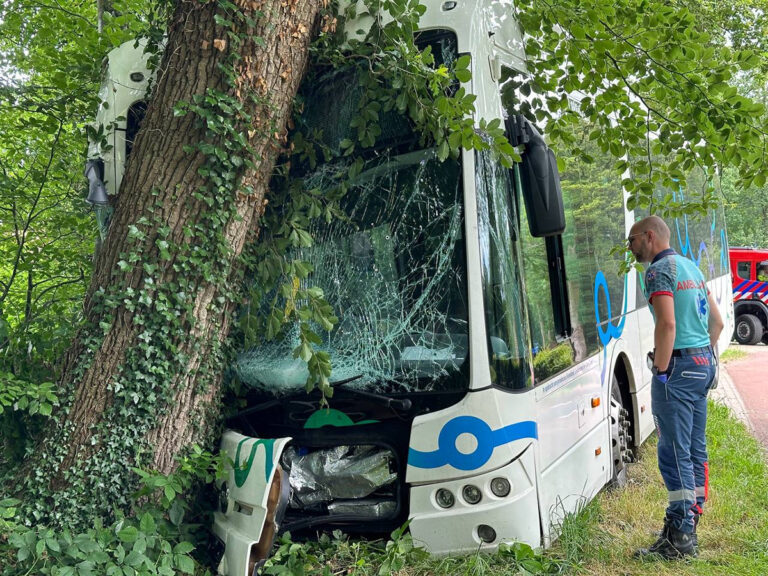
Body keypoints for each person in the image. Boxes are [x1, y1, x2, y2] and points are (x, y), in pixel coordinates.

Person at [627, 215, 724, 559]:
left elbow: (667, 324)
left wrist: (662, 369)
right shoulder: (691, 268)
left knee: (674, 452)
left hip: (679, 368)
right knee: (695, 448)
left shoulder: (657, 272)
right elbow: (718, 322)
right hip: (702, 364)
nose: (631, 247)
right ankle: (688, 522)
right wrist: (703, 356)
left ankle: (680, 538)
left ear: (649, 236)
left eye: (633, 240)